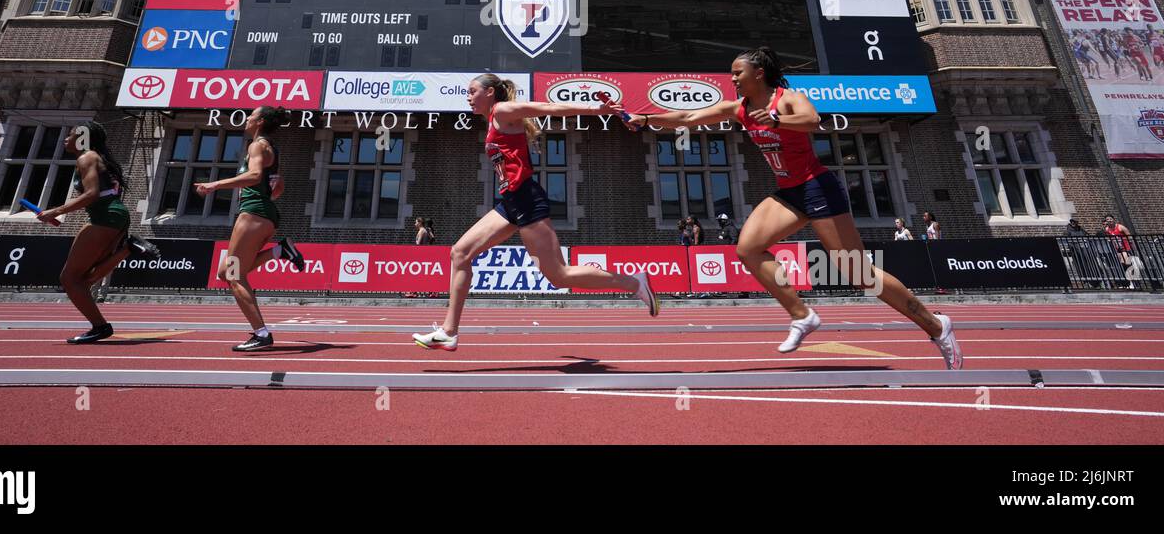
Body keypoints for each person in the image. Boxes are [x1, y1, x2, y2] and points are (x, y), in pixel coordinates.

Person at [619, 46, 962, 368]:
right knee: (748, 249)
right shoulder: (738, 108)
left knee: (860, 274)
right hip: (789, 192)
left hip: (818, 188)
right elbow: (687, 116)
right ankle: (802, 315)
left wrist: (776, 122)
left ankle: (935, 324)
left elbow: (813, 121)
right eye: (732, 74)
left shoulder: (788, 100)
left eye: (738, 73)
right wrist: (646, 119)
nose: (733, 79)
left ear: (759, 73)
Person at [412, 75, 658, 351]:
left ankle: (633, 282)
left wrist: (596, 110)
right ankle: (449, 331)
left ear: (490, 92)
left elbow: (550, 109)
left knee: (559, 276)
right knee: (459, 253)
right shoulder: (495, 118)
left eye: (472, 92)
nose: (467, 97)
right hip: (510, 203)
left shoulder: (503, 111)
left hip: (527, 200)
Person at [36, 121, 160, 344]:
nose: (66, 138)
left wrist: (55, 211)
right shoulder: (94, 158)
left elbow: (92, 194)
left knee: (69, 278)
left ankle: (100, 326)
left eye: (71, 134)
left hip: (106, 217)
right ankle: (127, 249)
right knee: (82, 281)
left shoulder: (87, 158)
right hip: (109, 216)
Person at [195, 106, 305, 351]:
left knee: (234, 275)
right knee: (226, 272)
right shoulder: (269, 148)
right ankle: (280, 252)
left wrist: (215, 185)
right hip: (263, 214)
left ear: (260, 121)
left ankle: (261, 333)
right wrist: (277, 185)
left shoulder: (257, 146)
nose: (246, 118)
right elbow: (276, 189)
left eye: (251, 115)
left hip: (253, 214)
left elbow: (255, 176)